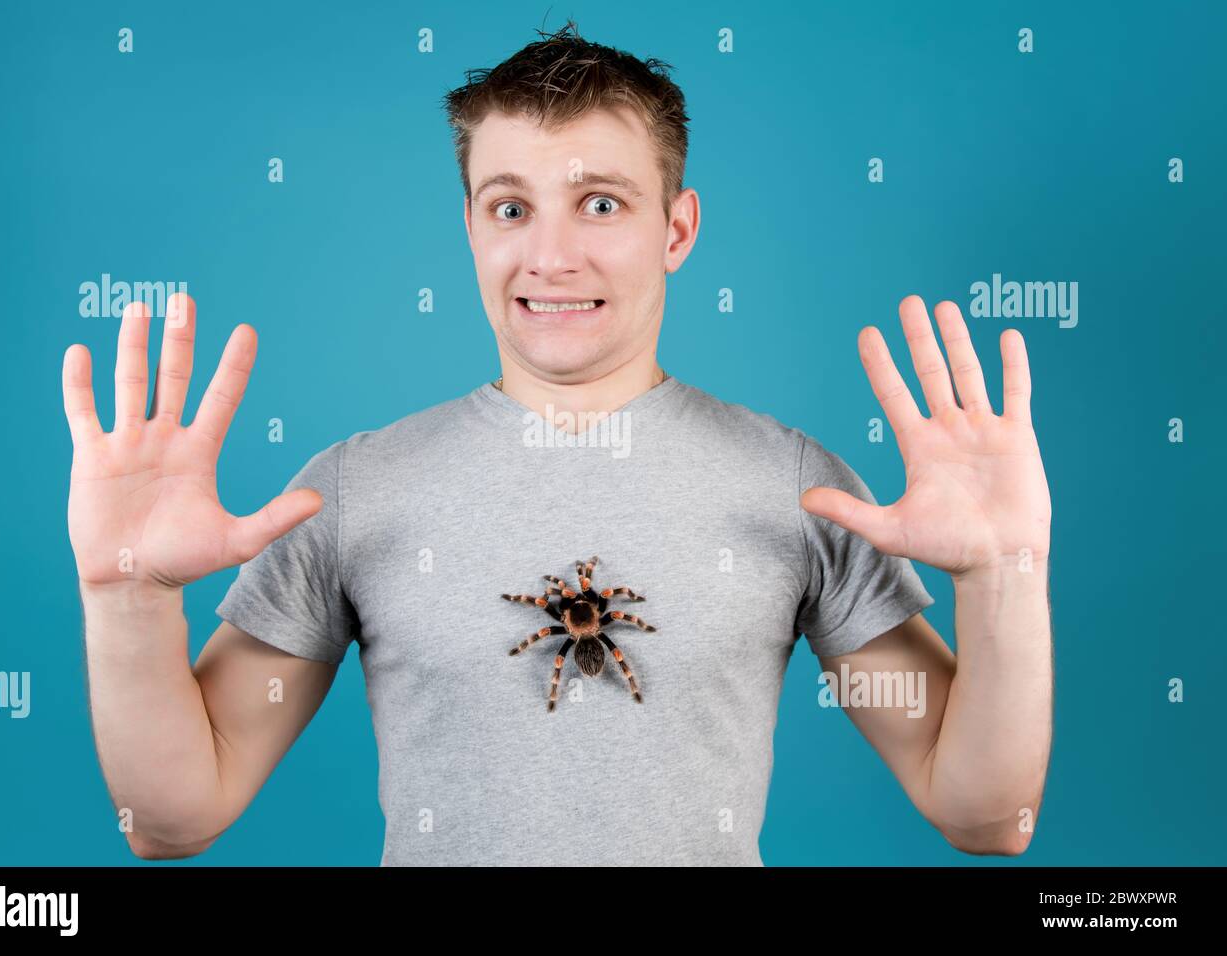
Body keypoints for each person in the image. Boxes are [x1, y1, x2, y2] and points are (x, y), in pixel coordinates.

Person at [62, 21, 1054, 866]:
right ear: (469, 226)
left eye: (602, 202)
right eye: (510, 207)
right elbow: (172, 816)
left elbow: (984, 814)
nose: (550, 254)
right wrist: (126, 596)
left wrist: (1006, 569)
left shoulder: (796, 486)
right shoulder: (354, 489)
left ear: (676, 228)